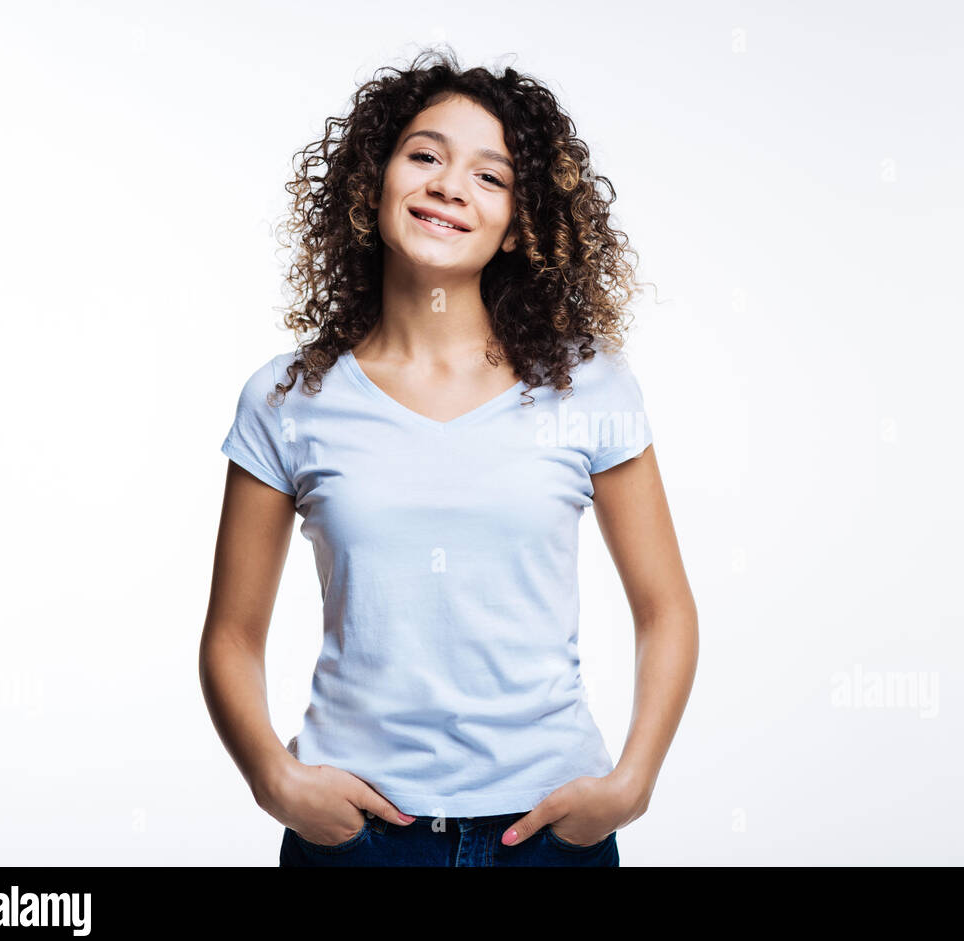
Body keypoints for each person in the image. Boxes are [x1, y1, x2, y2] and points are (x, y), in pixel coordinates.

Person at [199, 47, 698, 867]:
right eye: (425, 155)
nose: (449, 185)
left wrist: (631, 783)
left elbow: (666, 609)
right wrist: (275, 782)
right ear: (376, 181)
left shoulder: (590, 388)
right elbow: (230, 635)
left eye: (490, 177)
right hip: (359, 838)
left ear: (518, 226)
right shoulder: (287, 399)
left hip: (547, 834)